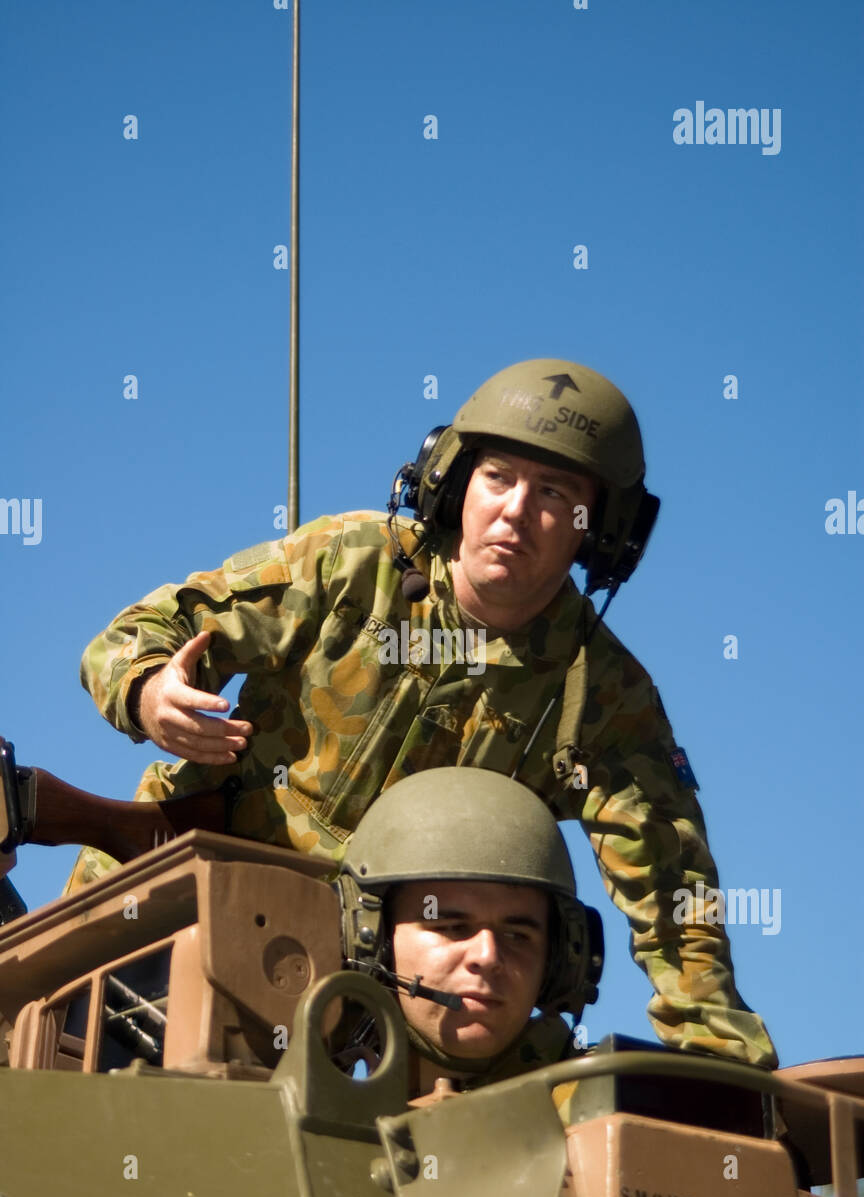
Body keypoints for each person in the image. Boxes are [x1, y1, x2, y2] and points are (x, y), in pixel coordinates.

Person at [68, 358, 778, 1068]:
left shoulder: (602, 696)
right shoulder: (351, 567)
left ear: (602, 529)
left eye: (555, 493)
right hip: (176, 907)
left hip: (369, 995)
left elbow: (672, 892)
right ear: (452, 482)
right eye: (498, 478)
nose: (515, 511)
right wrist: (150, 691)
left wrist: (724, 1062)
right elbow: (142, 631)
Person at [335, 766, 603, 1100]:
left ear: (561, 961)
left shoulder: (616, 1107)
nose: (487, 957)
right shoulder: (289, 1107)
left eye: (517, 935)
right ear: (370, 942)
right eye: (453, 928)